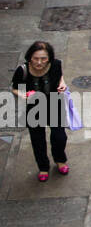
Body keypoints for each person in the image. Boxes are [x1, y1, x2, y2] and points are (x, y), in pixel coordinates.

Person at [12, 41, 69, 182]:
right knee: (38, 141)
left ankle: (60, 160)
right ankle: (43, 167)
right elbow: (14, 88)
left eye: (43, 58)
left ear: (49, 58)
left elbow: (60, 77)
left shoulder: (55, 65)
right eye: (36, 58)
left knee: (59, 137)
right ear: (30, 57)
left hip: (55, 104)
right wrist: (25, 95)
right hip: (35, 109)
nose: (39, 62)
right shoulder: (22, 70)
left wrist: (63, 84)